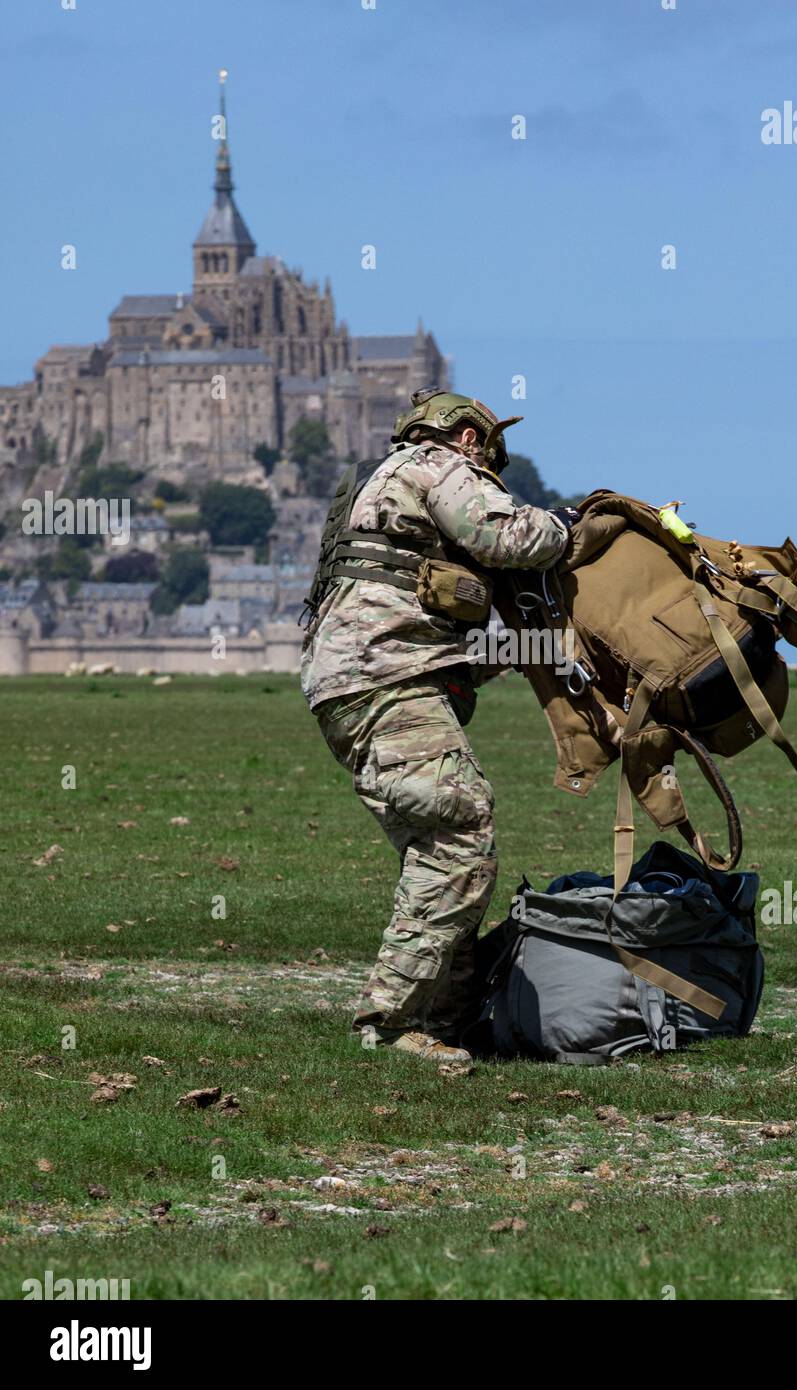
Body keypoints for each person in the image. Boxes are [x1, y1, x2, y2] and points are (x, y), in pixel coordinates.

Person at [301, 390, 574, 1063]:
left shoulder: (378, 491)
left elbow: (417, 615)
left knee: (439, 851)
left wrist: (521, 655)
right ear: (468, 438)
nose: (485, 469)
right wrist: (567, 526)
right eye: (486, 454)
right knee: (459, 836)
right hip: (386, 681)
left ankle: (446, 1019)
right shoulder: (433, 464)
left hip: (353, 686)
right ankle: (389, 1024)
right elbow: (505, 536)